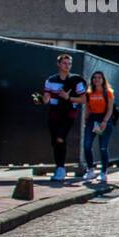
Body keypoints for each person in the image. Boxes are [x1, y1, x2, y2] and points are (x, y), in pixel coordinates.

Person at [42, 53, 86, 183]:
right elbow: (46, 96)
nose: (67, 66)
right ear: (59, 64)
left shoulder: (76, 80)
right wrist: (44, 99)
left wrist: (68, 98)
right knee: (56, 141)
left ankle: (60, 169)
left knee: (61, 138)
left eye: (69, 63)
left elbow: (83, 99)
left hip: (69, 114)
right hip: (54, 113)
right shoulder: (50, 80)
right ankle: (59, 167)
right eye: (64, 63)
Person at [81, 70, 116, 184]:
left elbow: (110, 109)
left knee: (103, 147)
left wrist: (105, 121)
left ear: (103, 80)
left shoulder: (108, 92)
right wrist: (86, 120)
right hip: (92, 120)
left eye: (99, 78)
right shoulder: (89, 93)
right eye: (95, 78)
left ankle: (103, 172)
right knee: (87, 145)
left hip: (104, 119)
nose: (97, 80)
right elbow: (87, 107)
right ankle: (90, 169)